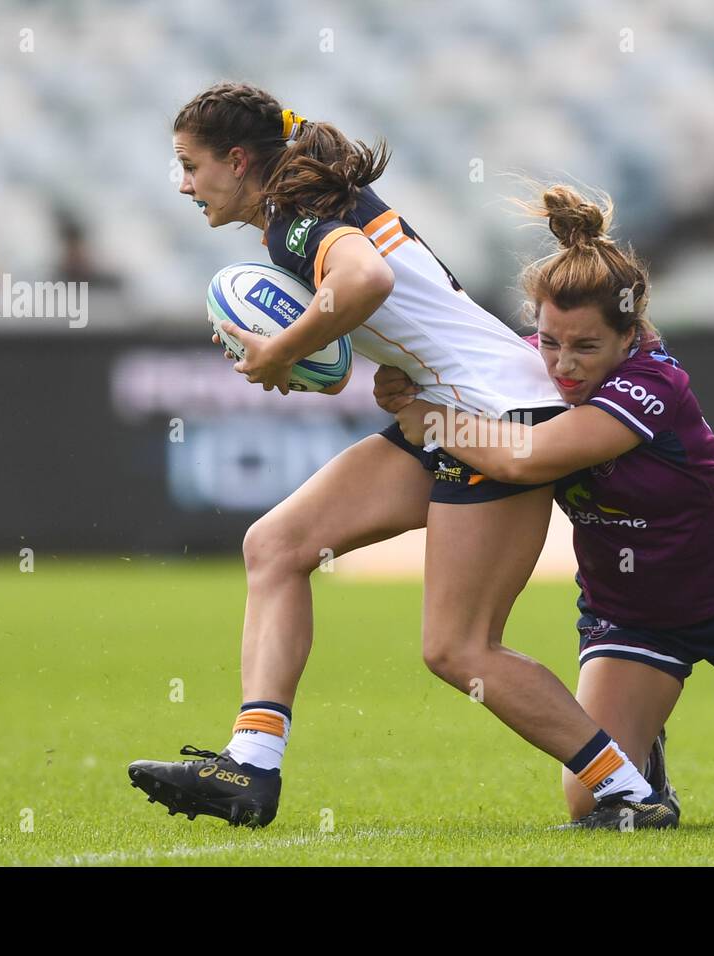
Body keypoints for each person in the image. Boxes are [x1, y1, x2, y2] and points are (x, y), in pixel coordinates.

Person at [127, 84, 675, 831]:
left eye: (189, 166)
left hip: (492, 412)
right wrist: (342, 365)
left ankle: (631, 792)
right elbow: (385, 306)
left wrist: (280, 352)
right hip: (457, 408)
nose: (183, 185)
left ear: (236, 159)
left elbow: (368, 281)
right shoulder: (305, 211)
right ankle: (251, 767)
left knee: (460, 649)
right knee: (277, 546)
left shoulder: (296, 220)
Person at [375, 183, 714, 824]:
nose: (561, 365)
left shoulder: (652, 382)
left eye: (585, 347)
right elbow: (457, 379)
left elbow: (521, 457)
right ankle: (646, 764)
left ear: (629, 334)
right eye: (549, 340)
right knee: (591, 799)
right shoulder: (534, 368)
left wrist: (428, 416)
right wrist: (406, 385)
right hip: (632, 613)